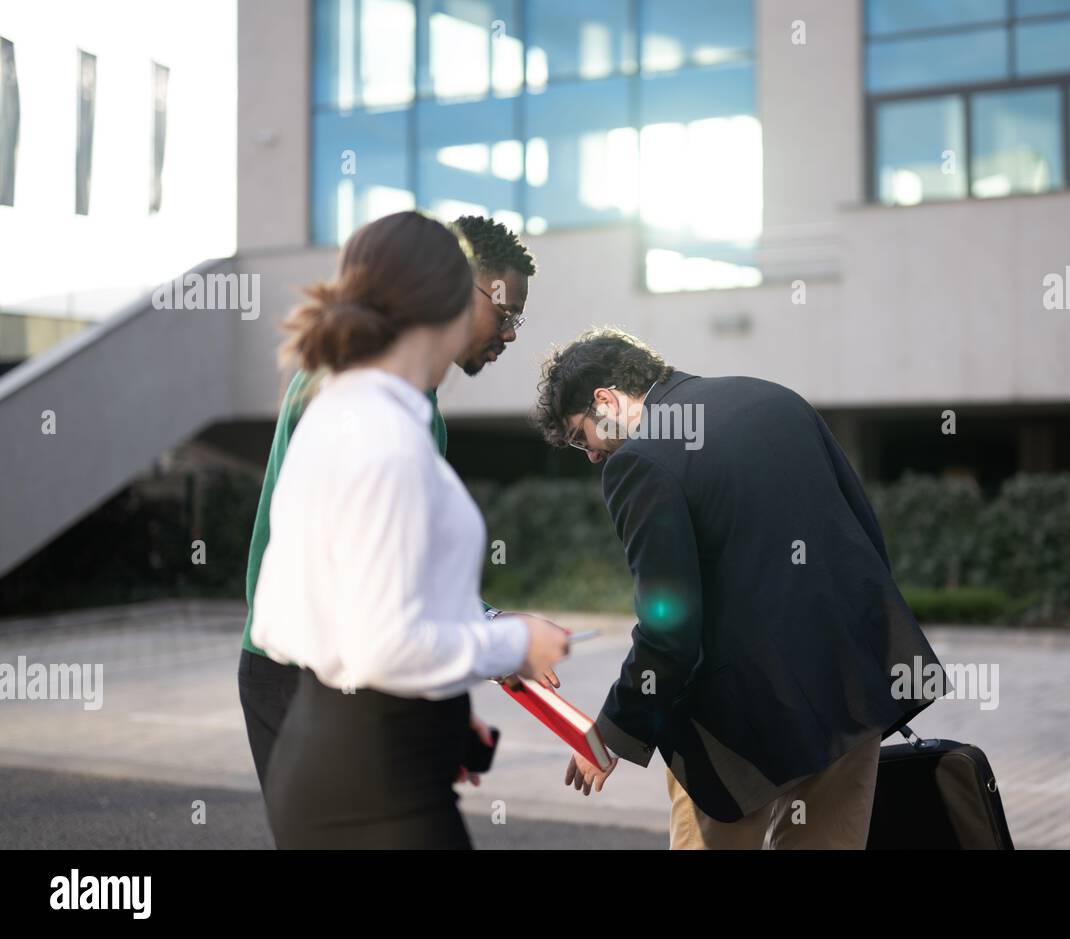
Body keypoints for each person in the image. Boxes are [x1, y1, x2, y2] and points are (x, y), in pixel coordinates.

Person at [533, 328, 947, 849]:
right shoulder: (776, 399)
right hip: (851, 693)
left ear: (606, 400)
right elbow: (864, 539)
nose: (591, 455)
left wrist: (612, 732)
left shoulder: (638, 461)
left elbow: (670, 631)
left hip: (737, 737)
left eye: (579, 437)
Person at [250, 211, 568, 848]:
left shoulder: (343, 403)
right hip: (377, 782)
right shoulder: (386, 436)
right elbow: (384, 646)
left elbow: (292, 613)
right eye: (502, 309)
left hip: (336, 747)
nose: (508, 328)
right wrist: (512, 642)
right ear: (453, 295)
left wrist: (440, 712)